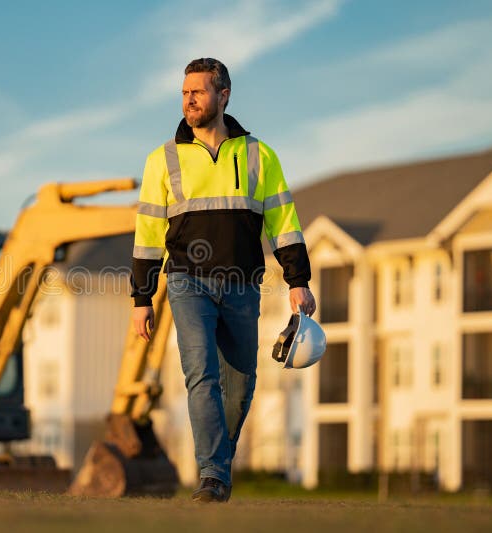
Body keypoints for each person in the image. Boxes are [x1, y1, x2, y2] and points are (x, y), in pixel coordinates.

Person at [130, 58, 316, 502]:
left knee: (240, 385)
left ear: (223, 95)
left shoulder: (258, 154)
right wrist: (142, 297)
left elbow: (283, 221)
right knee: (201, 374)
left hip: (242, 284)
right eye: (184, 92)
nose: (189, 99)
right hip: (185, 282)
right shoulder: (163, 160)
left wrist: (298, 279)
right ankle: (212, 477)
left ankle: (218, 468)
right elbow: (148, 234)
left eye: (198, 91)